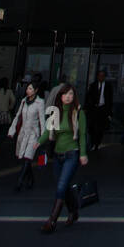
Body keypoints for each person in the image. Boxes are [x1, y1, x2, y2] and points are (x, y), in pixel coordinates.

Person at [41, 82, 88, 233]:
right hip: (58, 154)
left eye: (71, 95)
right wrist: (36, 143)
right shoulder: (56, 113)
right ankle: (73, 211)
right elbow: (48, 132)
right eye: (65, 94)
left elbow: (82, 135)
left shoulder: (78, 113)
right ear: (60, 96)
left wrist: (83, 153)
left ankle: (52, 220)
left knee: (61, 186)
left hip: (72, 153)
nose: (68, 97)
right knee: (64, 186)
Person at [7, 78, 45, 191]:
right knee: (24, 158)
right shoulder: (24, 101)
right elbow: (18, 116)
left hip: (34, 134)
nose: (28, 90)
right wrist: (12, 131)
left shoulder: (40, 102)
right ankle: (31, 179)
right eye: (27, 88)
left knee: (28, 157)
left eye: (30, 88)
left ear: (36, 90)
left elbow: (42, 120)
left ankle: (19, 182)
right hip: (23, 133)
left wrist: (42, 138)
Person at [84, 68, 113, 151]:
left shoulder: (108, 86)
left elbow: (110, 99)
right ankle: (93, 142)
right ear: (97, 77)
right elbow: (88, 97)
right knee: (93, 126)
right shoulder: (93, 85)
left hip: (103, 109)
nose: (101, 77)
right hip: (94, 108)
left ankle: (97, 143)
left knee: (100, 127)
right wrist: (86, 107)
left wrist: (109, 112)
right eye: (100, 76)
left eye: (103, 76)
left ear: (104, 77)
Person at [0, 77, 15, 154]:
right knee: (3, 131)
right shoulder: (9, 91)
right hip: (6, 114)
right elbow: (13, 100)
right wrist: (10, 107)